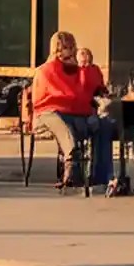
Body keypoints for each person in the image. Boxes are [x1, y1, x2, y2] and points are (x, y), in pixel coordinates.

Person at [31, 31, 115, 190]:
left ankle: (101, 176)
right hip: (50, 113)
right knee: (59, 121)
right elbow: (41, 101)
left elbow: (89, 92)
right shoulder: (45, 70)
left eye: (71, 47)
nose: (68, 51)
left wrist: (86, 70)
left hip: (79, 113)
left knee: (104, 124)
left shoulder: (80, 70)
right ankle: (71, 160)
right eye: (63, 48)